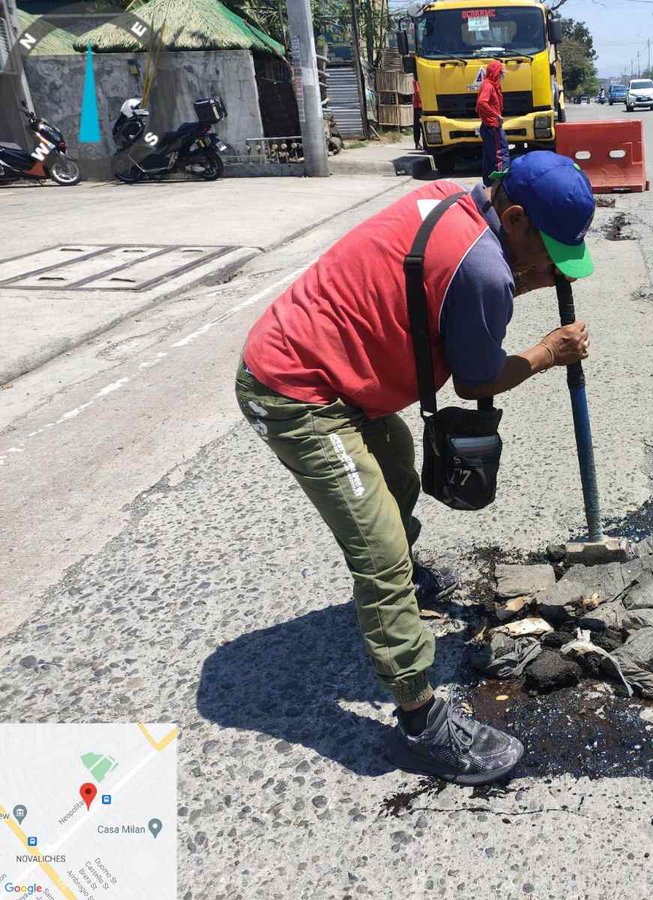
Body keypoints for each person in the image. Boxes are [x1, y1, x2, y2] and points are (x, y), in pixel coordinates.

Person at [234, 152, 597, 785]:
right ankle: (421, 723)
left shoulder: (454, 200)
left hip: (344, 376)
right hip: (295, 389)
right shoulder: (483, 268)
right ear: (512, 218)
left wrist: (522, 274)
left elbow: (450, 289)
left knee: (398, 469)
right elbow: (480, 378)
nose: (548, 271)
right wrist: (546, 351)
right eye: (546, 253)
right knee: (377, 550)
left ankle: (400, 588)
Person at [476, 59, 509, 181]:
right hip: (492, 126)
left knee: (489, 158)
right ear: (496, 73)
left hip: (489, 126)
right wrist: (496, 115)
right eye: (501, 73)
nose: (503, 76)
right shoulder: (489, 86)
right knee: (500, 155)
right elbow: (481, 103)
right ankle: (502, 184)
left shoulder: (491, 85)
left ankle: (489, 185)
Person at [412, 78, 423, 151]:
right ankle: (417, 143)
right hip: (419, 106)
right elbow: (418, 92)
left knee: (419, 125)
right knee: (418, 125)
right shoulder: (417, 80)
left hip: (420, 105)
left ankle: (418, 143)